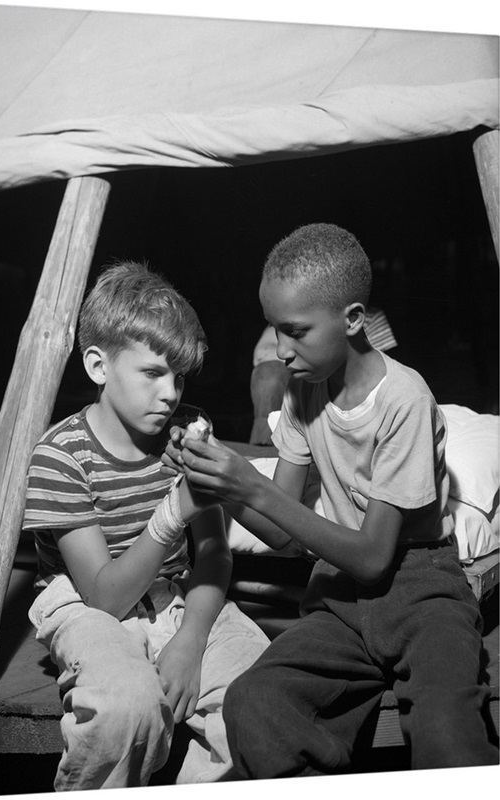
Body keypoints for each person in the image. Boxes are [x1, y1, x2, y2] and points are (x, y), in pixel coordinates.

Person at [163, 223, 499, 778]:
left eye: (295, 331)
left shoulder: (404, 399)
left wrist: (250, 484)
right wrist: (218, 478)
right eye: (274, 331)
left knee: (447, 730)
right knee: (255, 702)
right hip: (337, 598)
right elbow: (280, 531)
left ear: (353, 320)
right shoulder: (302, 391)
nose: (280, 352)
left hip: (421, 588)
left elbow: (373, 555)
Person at [22, 261, 269, 790]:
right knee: (127, 707)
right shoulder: (60, 456)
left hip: (178, 596)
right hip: (88, 606)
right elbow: (103, 599)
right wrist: (175, 508)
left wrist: (191, 639)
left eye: (179, 376)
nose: (171, 393)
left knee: (263, 695)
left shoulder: (184, 434)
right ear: (98, 365)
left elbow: (215, 555)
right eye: (153, 373)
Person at [249, 306, 398, 445]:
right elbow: (261, 355)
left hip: (346, 381)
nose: (282, 352)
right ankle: (263, 445)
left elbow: (374, 365)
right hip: (306, 377)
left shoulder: (373, 316)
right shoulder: (293, 312)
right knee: (269, 373)